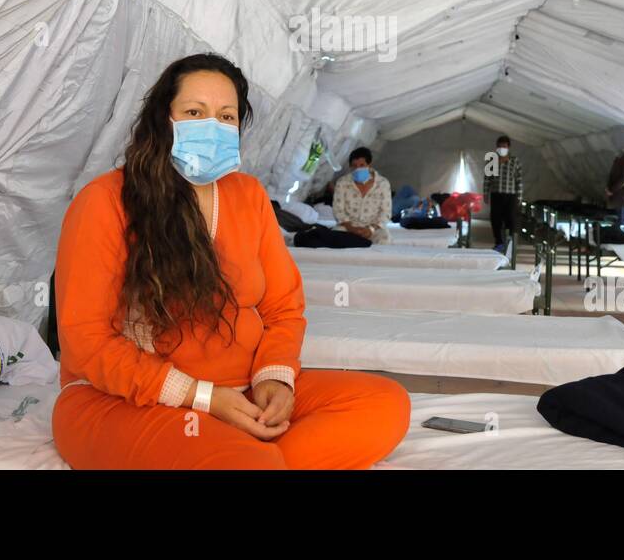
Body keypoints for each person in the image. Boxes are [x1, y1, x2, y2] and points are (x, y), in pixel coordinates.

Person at [52, 53, 410, 469]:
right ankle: (245, 456)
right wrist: (201, 398)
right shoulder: (105, 201)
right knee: (244, 460)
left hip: (240, 392)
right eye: (193, 112)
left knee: (385, 405)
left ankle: (246, 455)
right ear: (162, 120)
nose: (212, 126)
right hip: (127, 398)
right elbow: (87, 340)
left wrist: (274, 377)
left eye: (225, 116)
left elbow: (283, 307)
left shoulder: (248, 196)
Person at [331, 147, 393, 244]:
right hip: (348, 227)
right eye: (354, 166)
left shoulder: (382, 183)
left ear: (369, 165)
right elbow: (338, 210)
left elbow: (386, 212)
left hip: (373, 228)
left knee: (384, 238)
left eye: (361, 165)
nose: (357, 169)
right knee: (335, 236)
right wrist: (351, 228)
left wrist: (371, 229)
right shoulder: (342, 183)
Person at [483, 135, 524, 254]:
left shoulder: (515, 161)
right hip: (496, 194)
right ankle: (499, 242)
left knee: (511, 219)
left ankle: (510, 244)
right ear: (496, 147)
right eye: (499, 146)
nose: (502, 148)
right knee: (495, 219)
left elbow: (519, 180)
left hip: (511, 195)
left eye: (504, 146)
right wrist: (485, 194)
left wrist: (519, 197)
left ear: (508, 147)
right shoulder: (492, 160)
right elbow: (487, 179)